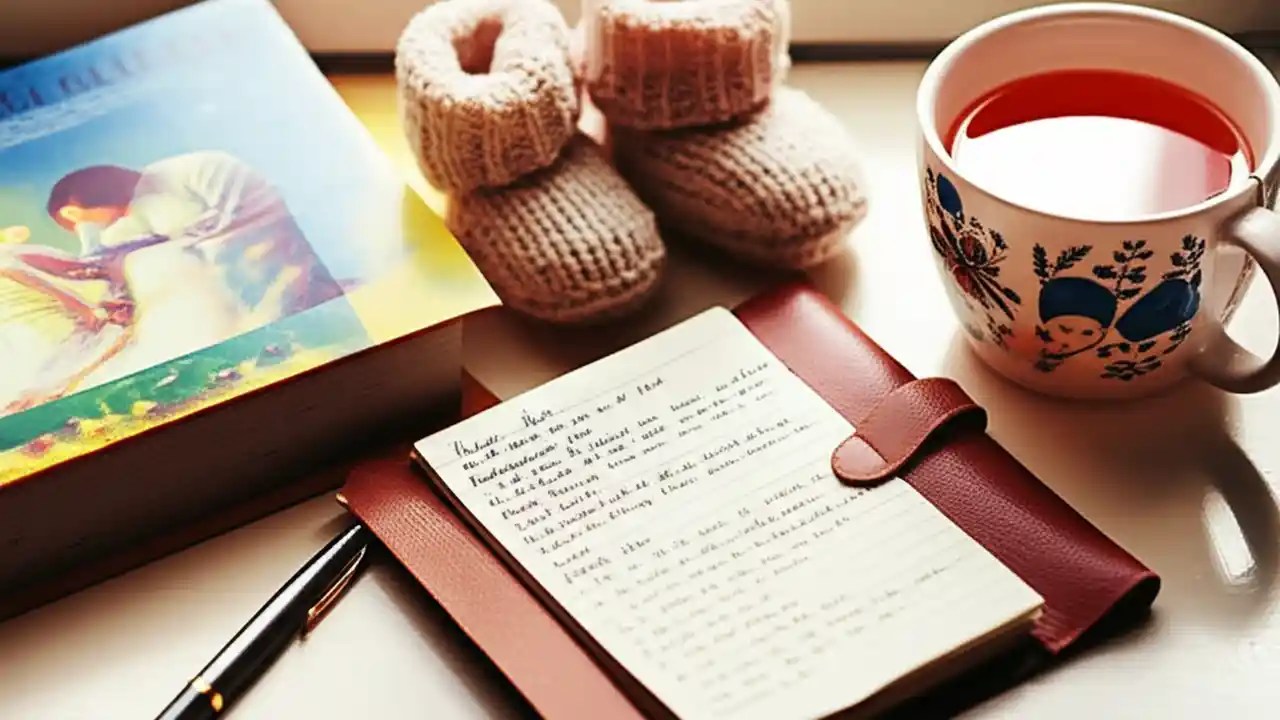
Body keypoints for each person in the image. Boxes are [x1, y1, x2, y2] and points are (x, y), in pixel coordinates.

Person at [40, 151, 344, 390]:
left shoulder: (178, 180)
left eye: (78, 220)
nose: (91, 228)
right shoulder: (143, 206)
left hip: (259, 254)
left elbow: (238, 222)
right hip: (237, 263)